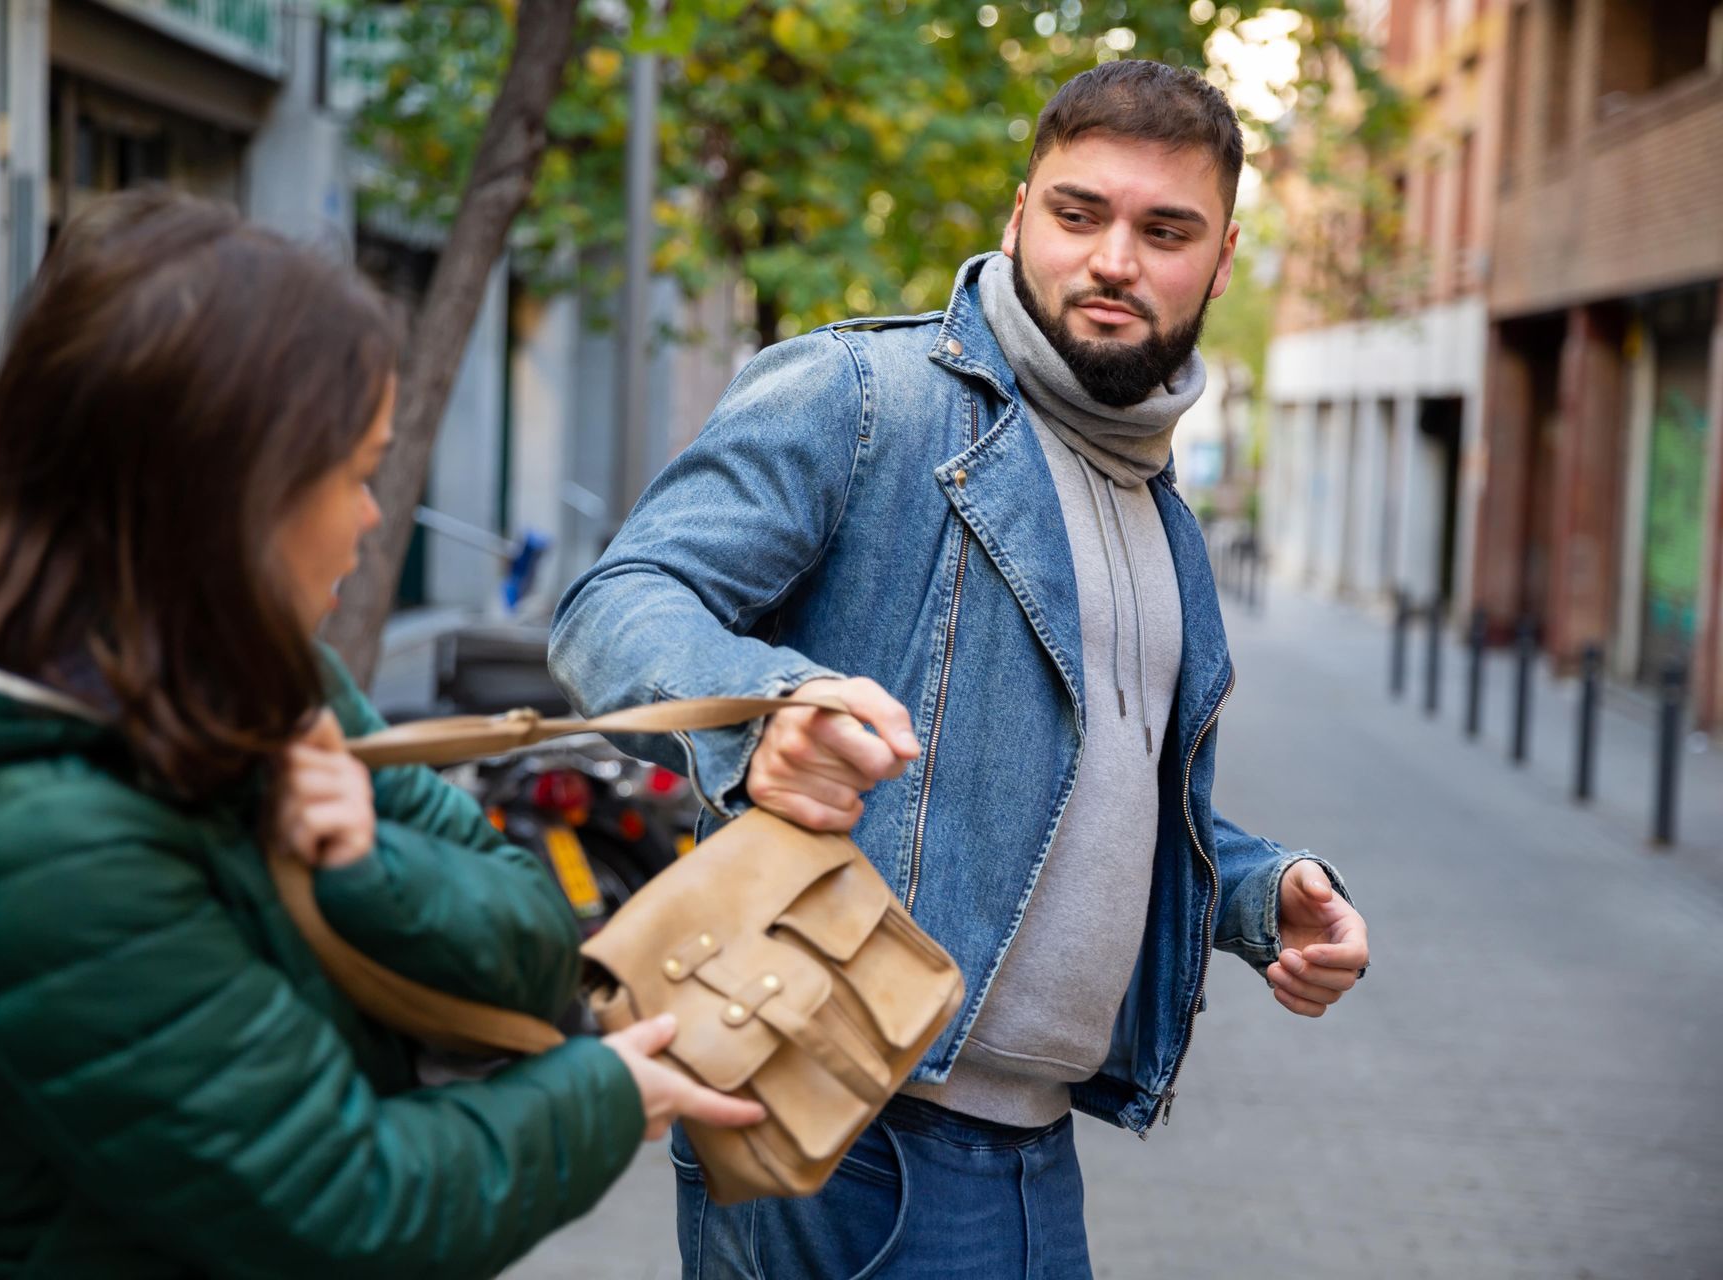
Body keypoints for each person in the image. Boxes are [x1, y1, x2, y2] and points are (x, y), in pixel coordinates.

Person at [0, 188, 762, 1279]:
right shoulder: (36, 851)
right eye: (355, 471)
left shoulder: (263, 677)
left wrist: (370, 859)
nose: (371, 516)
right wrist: (603, 1101)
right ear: (228, 489)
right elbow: (343, 1208)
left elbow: (535, 928)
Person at [550, 60, 1372, 1279]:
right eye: (1078, 212)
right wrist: (767, 708)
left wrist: (1259, 890)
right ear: (1019, 213)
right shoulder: (862, 394)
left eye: (1164, 230)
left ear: (1224, 257)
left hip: (1039, 1149)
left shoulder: (1158, 504)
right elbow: (614, 604)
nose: (1113, 259)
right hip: (839, 1119)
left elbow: (1088, 776)